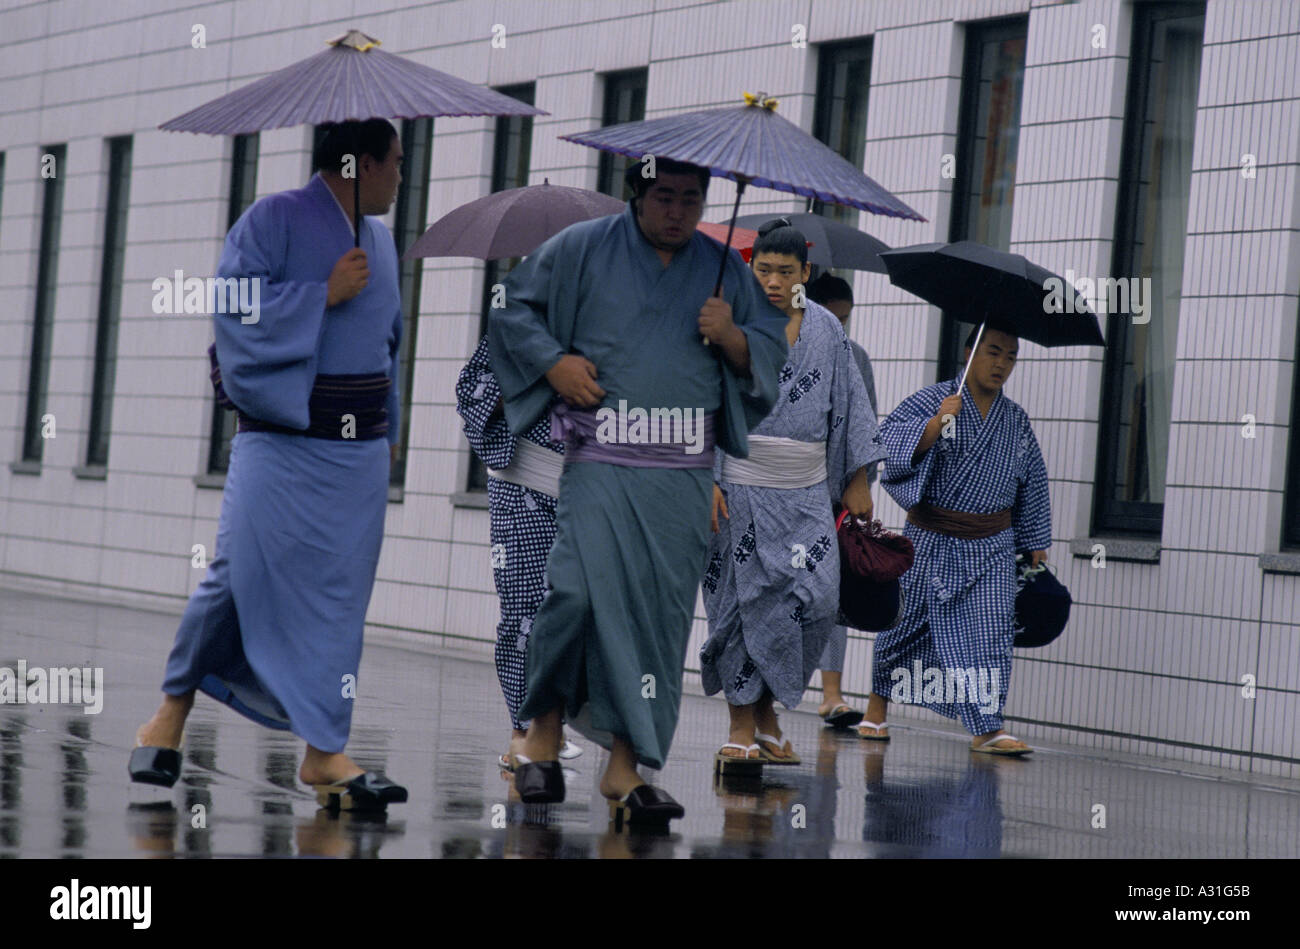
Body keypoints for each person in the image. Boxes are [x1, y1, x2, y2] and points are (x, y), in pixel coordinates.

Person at [489, 158, 787, 823]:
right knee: (575, 594)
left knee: (657, 616)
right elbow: (511, 306)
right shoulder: (581, 247)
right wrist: (553, 363)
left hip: (681, 474)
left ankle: (627, 764)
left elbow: (769, 355)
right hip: (601, 458)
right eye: (664, 196)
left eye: (690, 198)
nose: (677, 210)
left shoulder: (724, 272)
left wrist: (733, 336)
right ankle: (541, 730)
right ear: (637, 194)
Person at [129, 119, 409, 808]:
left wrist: (389, 428)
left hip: (356, 454)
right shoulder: (272, 219)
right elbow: (230, 309)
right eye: (396, 163)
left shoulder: (379, 239)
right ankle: (170, 710)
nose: (403, 176)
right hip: (282, 441)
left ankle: (323, 750)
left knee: (339, 600)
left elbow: (390, 342)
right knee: (235, 575)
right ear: (359, 163)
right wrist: (320, 294)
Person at [701, 219, 885, 766]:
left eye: (786, 271)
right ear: (749, 268)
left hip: (806, 490)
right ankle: (744, 726)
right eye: (765, 270)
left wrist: (856, 479)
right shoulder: (728, 324)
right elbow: (705, 401)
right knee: (740, 604)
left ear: (805, 273)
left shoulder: (829, 330)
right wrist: (705, 478)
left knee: (816, 600)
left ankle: (767, 714)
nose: (775, 281)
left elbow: (849, 404)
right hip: (739, 482)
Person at [860, 324, 1050, 755]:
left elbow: (1033, 480)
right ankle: (876, 708)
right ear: (968, 353)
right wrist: (935, 425)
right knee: (904, 625)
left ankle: (987, 727)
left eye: (1011, 356)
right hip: (932, 536)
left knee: (991, 633)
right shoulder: (933, 400)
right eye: (994, 352)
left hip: (992, 544)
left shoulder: (1015, 419)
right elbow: (888, 444)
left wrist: (1035, 536)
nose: (1001, 363)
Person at [454, 337, 582, 770]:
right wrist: (535, 369)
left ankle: (553, 724)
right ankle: (523, 729)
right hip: (522, 478)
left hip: (590, 481)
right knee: (524, 610)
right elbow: (472, 389)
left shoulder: (614, 314)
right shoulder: (520, 319)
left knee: (579, 611)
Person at [806, 272, 879, 728]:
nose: (840, 329)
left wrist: (862, 481)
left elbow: (866, 426)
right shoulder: (779, 349)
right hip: (786, 490)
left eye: (847, 320)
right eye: (833, 319)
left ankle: (831, 694)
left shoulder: (856, 359)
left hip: (834, 497)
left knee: (833, 593)